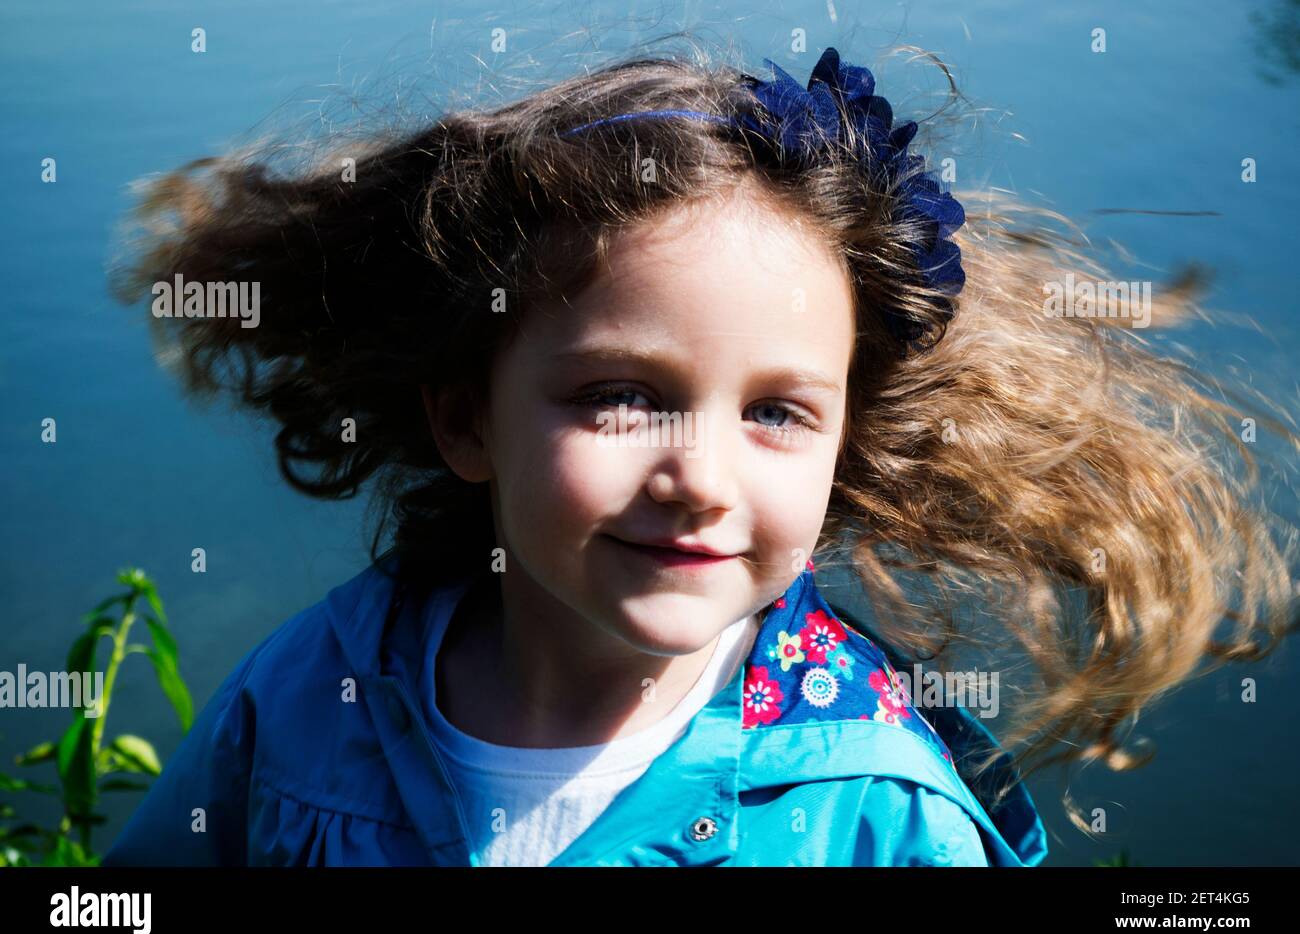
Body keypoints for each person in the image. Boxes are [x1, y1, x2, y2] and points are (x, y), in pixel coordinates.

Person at [101, 46, 1295, 866]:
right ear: (468, 420)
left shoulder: (870, 803)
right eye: (621, 397)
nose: (703, 478)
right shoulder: (321, 682)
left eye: (778, 412)